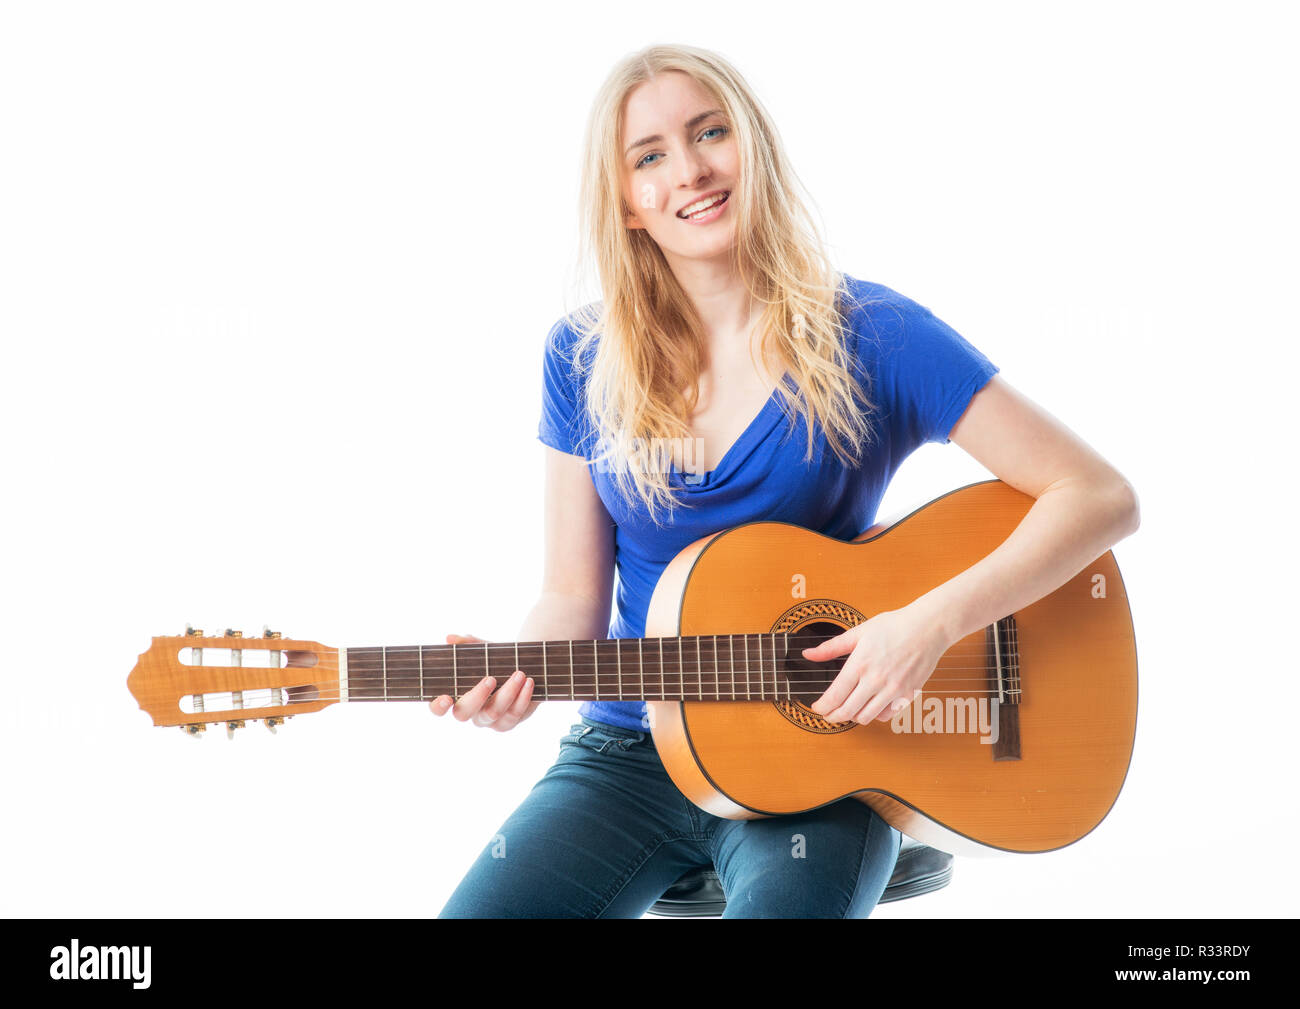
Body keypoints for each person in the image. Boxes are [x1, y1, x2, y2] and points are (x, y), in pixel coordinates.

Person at [431, 44, 1140, 919]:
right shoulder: (579, 358)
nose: (689, 170)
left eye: (710, 133)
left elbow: (1099, 495)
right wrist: (514, 673)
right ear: (624, 199)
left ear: (751, 144)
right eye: (649, 156)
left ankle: (876, 846)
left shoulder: (873, 332)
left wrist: (927, 625)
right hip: (629, 750)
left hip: (828, 757)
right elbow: (571, 597)